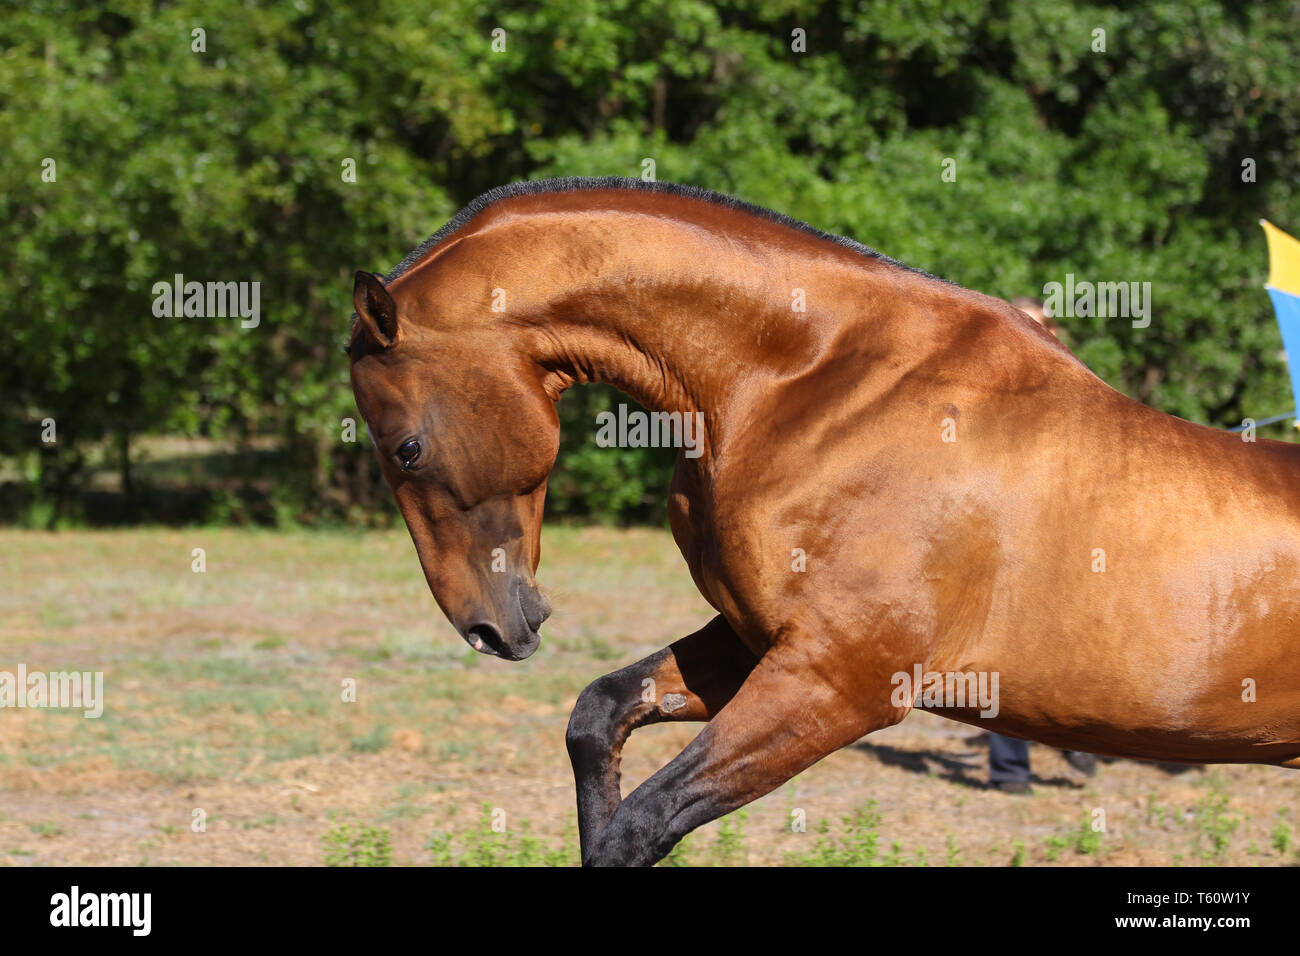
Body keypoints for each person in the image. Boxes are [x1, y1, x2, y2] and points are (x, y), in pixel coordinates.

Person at [988, 298, 1097, 793]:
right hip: (1007, 537)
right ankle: (1010, 771)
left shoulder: (1074, 382)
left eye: (1035, 328)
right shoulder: (985, 385)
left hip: (1069, 535)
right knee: (1001, 654)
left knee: (1074, 643)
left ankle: (1075, 732)